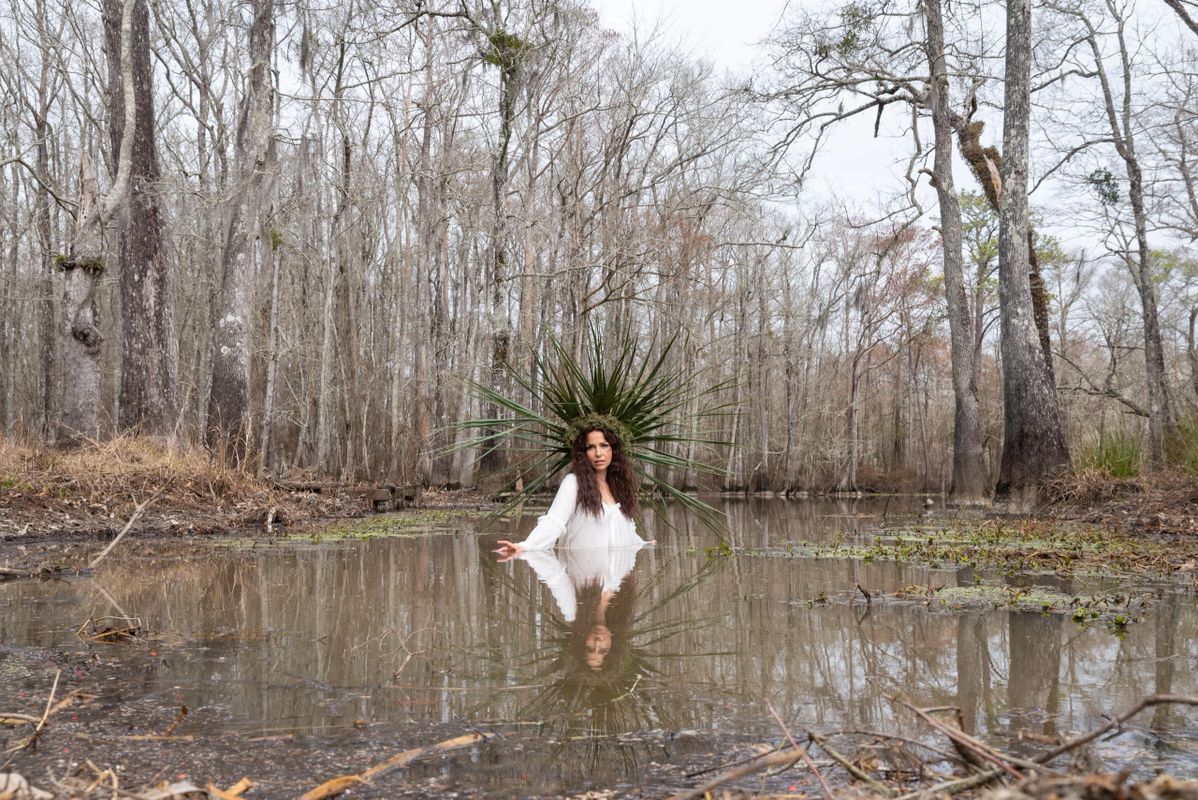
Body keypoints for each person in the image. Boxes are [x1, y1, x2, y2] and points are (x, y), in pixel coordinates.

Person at [495, 425, 650, 555]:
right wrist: (525, 546)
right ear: (583, 453)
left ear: (613, 450)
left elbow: (624, 531)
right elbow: (554, 521)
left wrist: (646, 544)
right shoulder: (573, 483)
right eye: (591, 447)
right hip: (584, 580)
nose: (598, 453)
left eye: (604, 445)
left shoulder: (619, 488)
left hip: (615, 585)